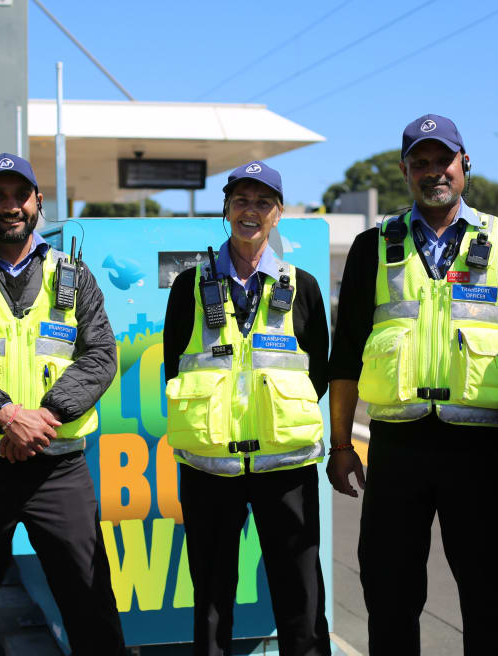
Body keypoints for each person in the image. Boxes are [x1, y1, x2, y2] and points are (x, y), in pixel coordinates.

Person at [326, 114, 498, 655]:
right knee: (389, 592)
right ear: (404, 171)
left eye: (442, 160)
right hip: (397, 449)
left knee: (489, 594)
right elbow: (345, 356)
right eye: (419, 163)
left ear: (464, 164)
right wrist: (339, 444)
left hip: (475, 451)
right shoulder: (370, 247)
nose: (433, 173)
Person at [0, 152, 125, 655]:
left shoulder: (73, 276)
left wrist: (45, 418)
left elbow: (100, 354)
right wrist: (7, 416)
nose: (10, 206)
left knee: (90, 599)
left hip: (58, 467)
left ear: (38, 202)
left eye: (20, 196)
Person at [163, 160, 331, 656]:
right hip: (210, 469)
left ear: (278, 214)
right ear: (226, 210)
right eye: (241, 201)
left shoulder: (303, 286)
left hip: (285, 466)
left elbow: (316, 371)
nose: (250, 212)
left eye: (263, 203)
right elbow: (175, 370)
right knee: (212, 601)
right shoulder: (188, 286)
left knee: (301, 598)